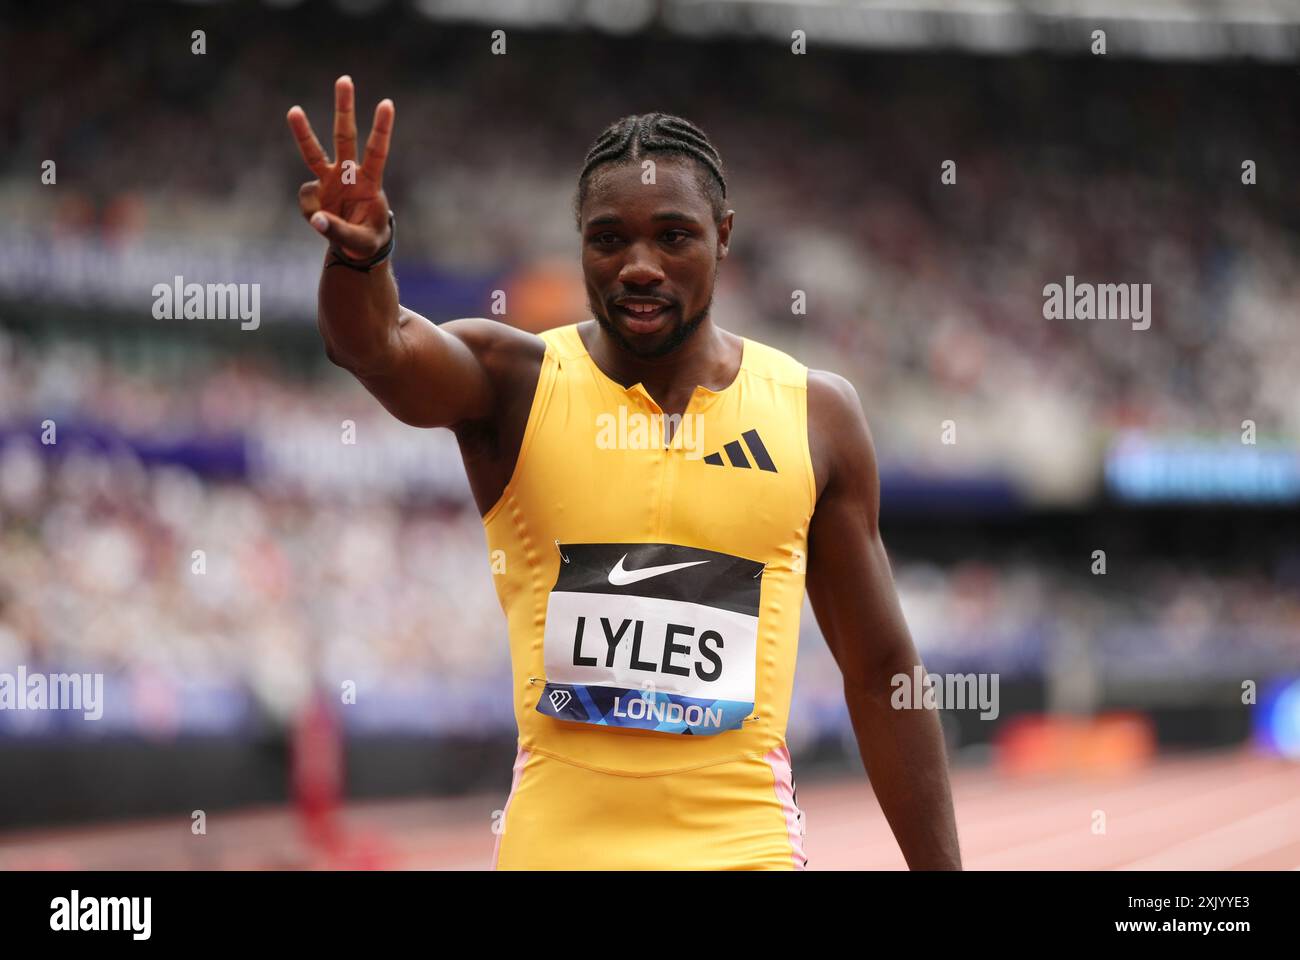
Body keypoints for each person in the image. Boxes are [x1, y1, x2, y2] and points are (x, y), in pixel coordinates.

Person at [286, 76, 961, 870]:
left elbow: (882, 675)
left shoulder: (814, 417)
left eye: (673, 236)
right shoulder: (514, 381)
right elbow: (377, 346)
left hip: (745, 852)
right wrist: (361, 258)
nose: (639, 266)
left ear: (724, 235)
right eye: (609, 239)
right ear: (580, 243)